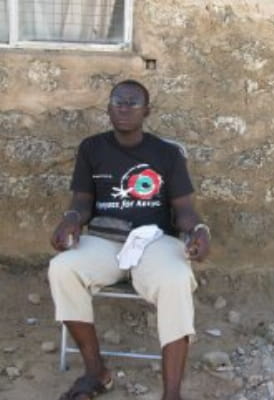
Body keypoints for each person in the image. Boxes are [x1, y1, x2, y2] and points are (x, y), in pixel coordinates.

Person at [48, 79, 210, 400]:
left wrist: (199, 231)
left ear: (146, 111)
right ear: (108, 109)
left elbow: (184, 210)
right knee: (62, 268)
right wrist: (71, 219)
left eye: (132, 102)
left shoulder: (167, 154)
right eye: (117, 101)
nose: (123, 108)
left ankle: (172, 394)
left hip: (154, 241)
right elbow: (82, 202)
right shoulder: (91, 148)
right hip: (104, 240)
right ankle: (96, 372)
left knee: (176, 277)